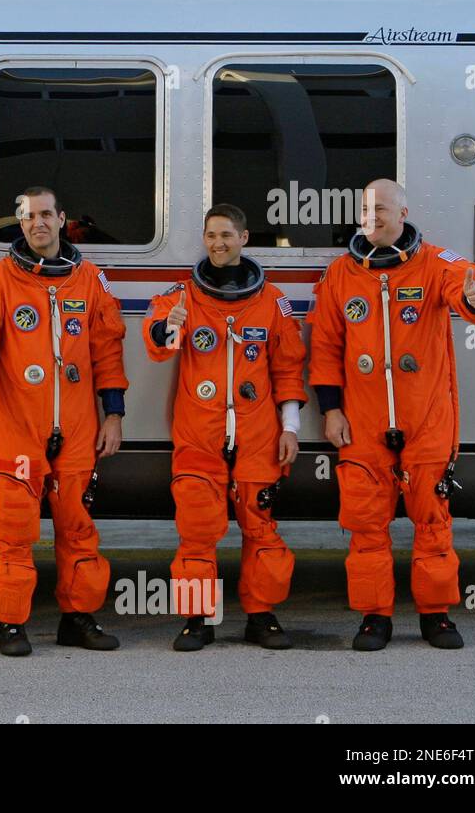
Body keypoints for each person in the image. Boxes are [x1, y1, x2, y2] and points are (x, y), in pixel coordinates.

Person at [0, 187, 128, 657]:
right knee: (15, 529)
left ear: (62, 219)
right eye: (27, 217)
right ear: (19, 225)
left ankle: (77, 618)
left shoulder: (90, 280)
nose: (37, 223)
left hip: (79, 426)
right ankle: (11, 623)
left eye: (45, 214)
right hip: (20, 426)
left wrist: (115, 415)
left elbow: (107, 351)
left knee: (78, 528)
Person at [308, 179, 475, 651]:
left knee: (433, 520)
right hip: (362, 421)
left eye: (383, 210)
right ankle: (375, 617)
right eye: (367, 210)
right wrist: (331, 411)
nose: (373, 218)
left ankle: (436, 616)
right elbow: (326, 351)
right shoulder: (339, 275)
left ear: (404, 212)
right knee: (366, 522)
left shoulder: (434, 263)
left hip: (427, 417)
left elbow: (472, 290)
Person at [142, 204, 306, 651]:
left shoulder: (272, 301)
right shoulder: (182, 297)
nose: (218, 243)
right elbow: (158, 343)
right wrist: (164, 329)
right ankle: (198, 619)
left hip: (258, 435)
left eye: (227, 235)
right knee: (196, 530)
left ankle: (262, 617)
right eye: (211, 235)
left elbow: (289, 369)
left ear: (245, 238)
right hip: (200, 434)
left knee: (262, 530)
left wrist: (290, 427)